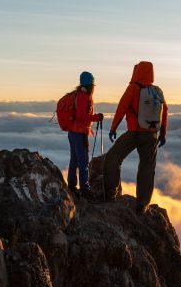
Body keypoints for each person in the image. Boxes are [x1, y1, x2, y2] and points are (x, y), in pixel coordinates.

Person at [104, 61, 168, 212]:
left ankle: (110, 195)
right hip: (152, 135)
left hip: (134, 133)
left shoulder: (133, 88)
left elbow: (122, 108)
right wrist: (163, 134)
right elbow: (164, 112)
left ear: (137, 71)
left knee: (112, 159)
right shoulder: (157, 90)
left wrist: (113, 128)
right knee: (147, 168)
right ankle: (142, 204)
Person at [65, 71, 105, 198]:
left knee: (74, 160)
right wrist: (96, 117)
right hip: (79, 133)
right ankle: (84, 190)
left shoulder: (77, 95)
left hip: (72, 132)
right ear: (90, 85)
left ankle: (71, 186)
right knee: (83, 162)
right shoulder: (83, 96)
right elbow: (81, 116)